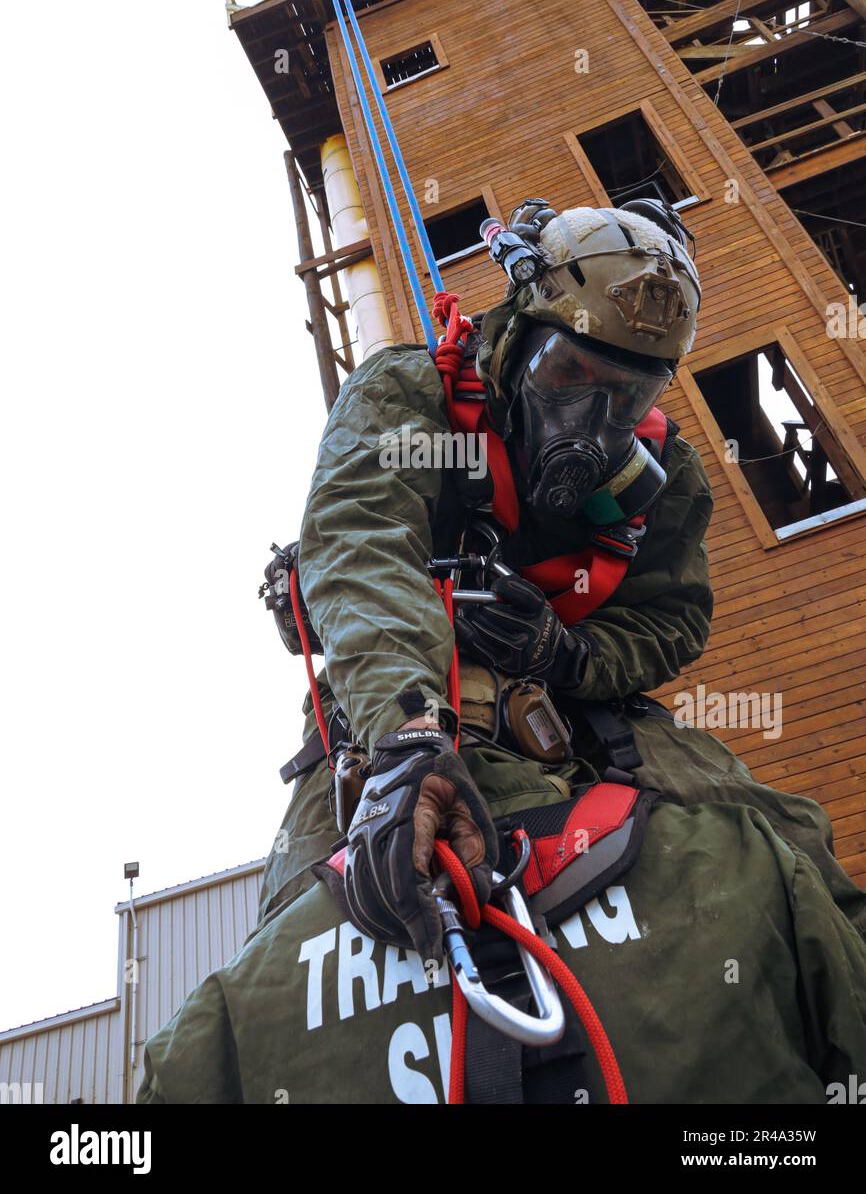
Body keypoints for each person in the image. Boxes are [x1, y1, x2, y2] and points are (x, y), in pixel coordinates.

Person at [137, 199, 866, 1104]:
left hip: (581, 712)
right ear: (518, 330)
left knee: (791, 844)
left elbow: (673, 621)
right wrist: (405, 736)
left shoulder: (662, 476)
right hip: (397, 703)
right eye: (568, 374)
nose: (590, 418)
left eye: (625, 394)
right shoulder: (410, 395)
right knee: (300, 916)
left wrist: (564, 652)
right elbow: (361, 549)